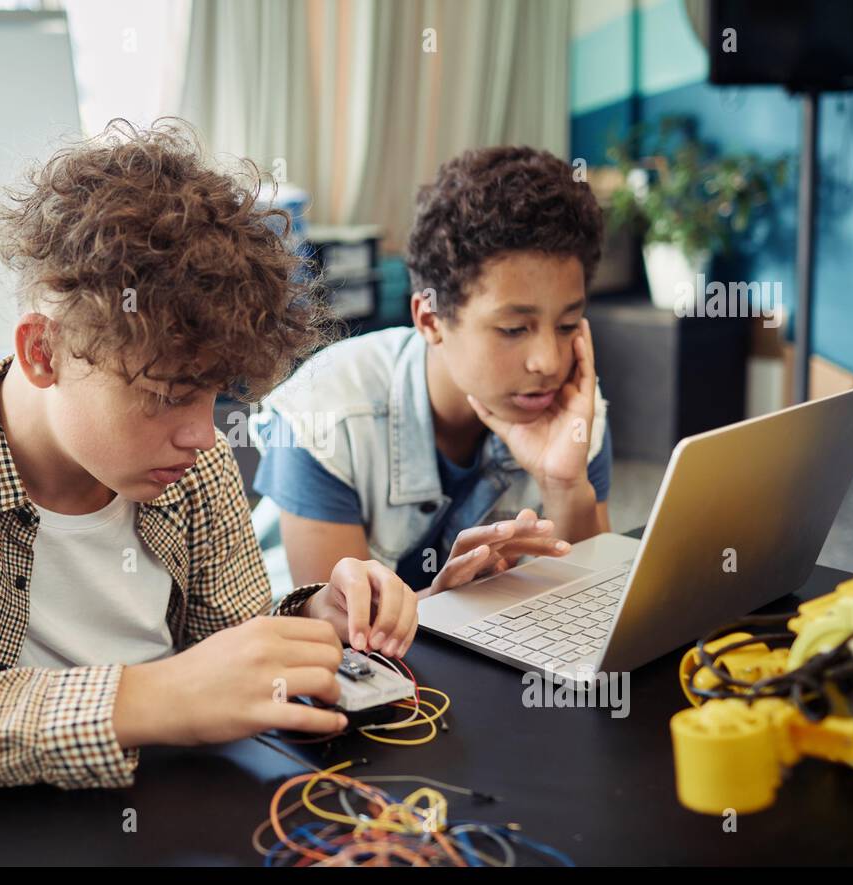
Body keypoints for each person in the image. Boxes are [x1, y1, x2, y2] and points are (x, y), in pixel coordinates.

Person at [0, 120, 419, 820]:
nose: (205, 435)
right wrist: (146, 700)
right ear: (43, 353)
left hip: (166, 817)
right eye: (168, 395)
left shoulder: (186, 467)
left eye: (215, 394)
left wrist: (311, 622)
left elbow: (227, 652)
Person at [252, 146, 611, 657]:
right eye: (514, 328)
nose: (548, 362)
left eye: (568, 324)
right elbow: (346, 646)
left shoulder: (573, 403)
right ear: (429, 319)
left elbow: (591, 614)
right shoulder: (325, 409)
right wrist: (442, 605)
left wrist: (565, 484)